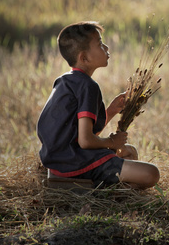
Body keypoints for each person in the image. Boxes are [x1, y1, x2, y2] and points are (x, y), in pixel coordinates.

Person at [37, 21, 160, 189]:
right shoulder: (88, 86)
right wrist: (111, 141)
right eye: (100, 44)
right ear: (84, 57)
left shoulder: (65, 81)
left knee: (129, 152)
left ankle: (114, 187)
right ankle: (109, 192)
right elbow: (86, 141)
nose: (107, 47)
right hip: (76, 164)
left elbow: (81, 135)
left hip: (59, 162)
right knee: (151, 173)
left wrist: (111, 110)